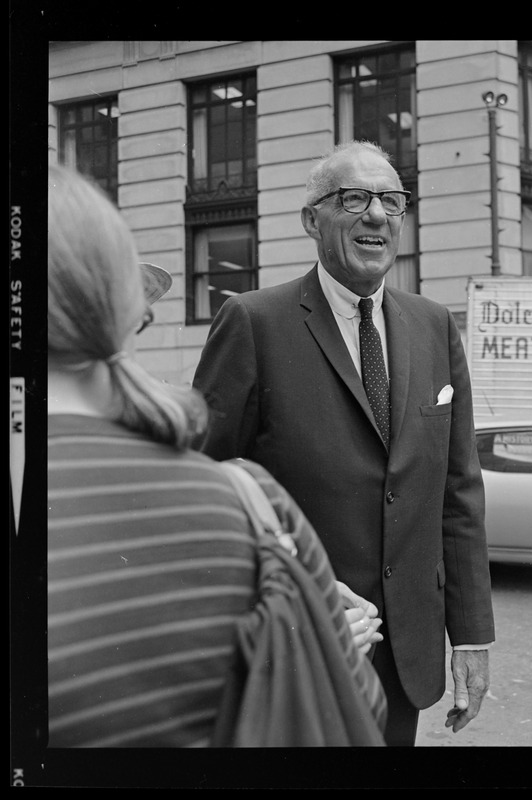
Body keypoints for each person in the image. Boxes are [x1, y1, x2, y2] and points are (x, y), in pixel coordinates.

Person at [46, 164, 385, 747]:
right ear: (127, 318)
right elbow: (356, 708)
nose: (376, 215)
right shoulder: (253, 508)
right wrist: (310, 631)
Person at [193, 140, 496, 746]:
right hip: (297, 649)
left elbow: (458, 492)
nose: (377, 215)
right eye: (354, 198)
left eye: (391, 200)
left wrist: (470, 636)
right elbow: (200, 490)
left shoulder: (434, 325)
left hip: (404, 660)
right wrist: (292, 591)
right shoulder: (253, 322)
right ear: (312, 220)